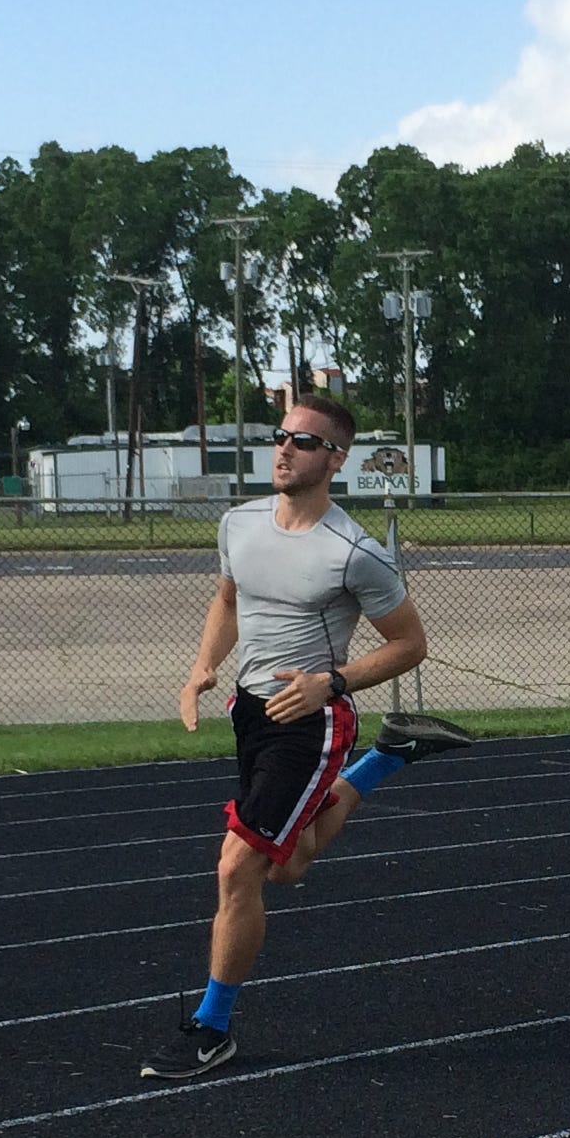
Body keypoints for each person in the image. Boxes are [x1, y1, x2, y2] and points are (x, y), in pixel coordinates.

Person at [146, 394, 473, 1081]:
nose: (285, 448)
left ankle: (211, 1028)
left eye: (302, 440)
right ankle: (388, 759)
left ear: (335, 458)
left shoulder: (355, 552)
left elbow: (411, 645)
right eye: (281, 435)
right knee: (286, 867)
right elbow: (229, 600)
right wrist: (203, 666)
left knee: (238, 867)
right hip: (250, 714)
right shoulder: (238, 523)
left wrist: (335, 682)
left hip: (313, 720)